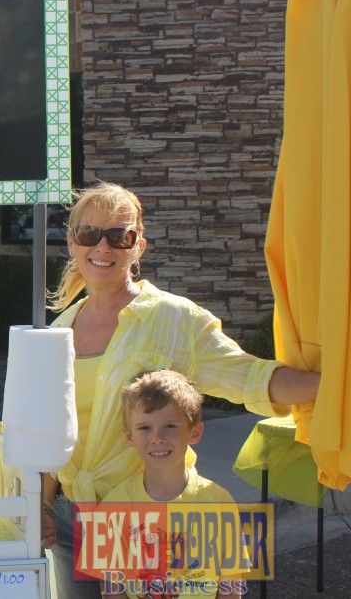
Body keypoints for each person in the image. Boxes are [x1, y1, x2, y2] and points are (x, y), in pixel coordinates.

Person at [42, 181, 319, 598]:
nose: (103, 247)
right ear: (71, 242)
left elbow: (251, 377)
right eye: (89, 234)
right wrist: (45, 505)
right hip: (71, 517)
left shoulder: (175, 319)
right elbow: (50, 432)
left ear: (138, 246)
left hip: (149, 516)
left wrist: (329, 387)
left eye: (119, 236)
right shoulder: (59, 329)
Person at [99, 370, 246, 598]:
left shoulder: (219, 501)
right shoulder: (113, 507)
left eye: (170, 426)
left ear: (194, 432)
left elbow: (231, 587)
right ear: (129, 436)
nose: (157, 437)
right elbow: (112, 591)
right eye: (144, 428)